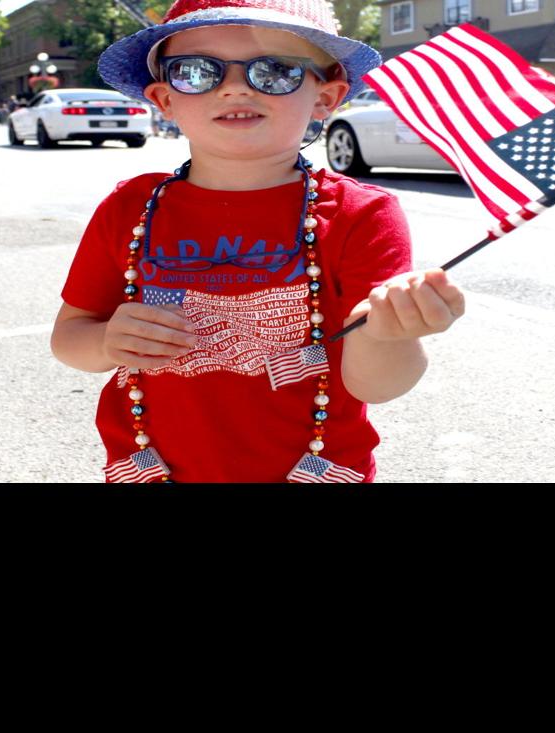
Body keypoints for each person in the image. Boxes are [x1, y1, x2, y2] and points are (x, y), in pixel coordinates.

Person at [50, 0, 466, 483]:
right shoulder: (131, 209)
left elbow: (377, 383)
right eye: (195, 71)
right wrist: (106, 341)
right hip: (150, 469)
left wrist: (390, 334)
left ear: (326, 97)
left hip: (316, 471)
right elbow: (69, 339)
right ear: (164, 99)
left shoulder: (362, 215)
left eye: (274, 71)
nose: (233, 87)